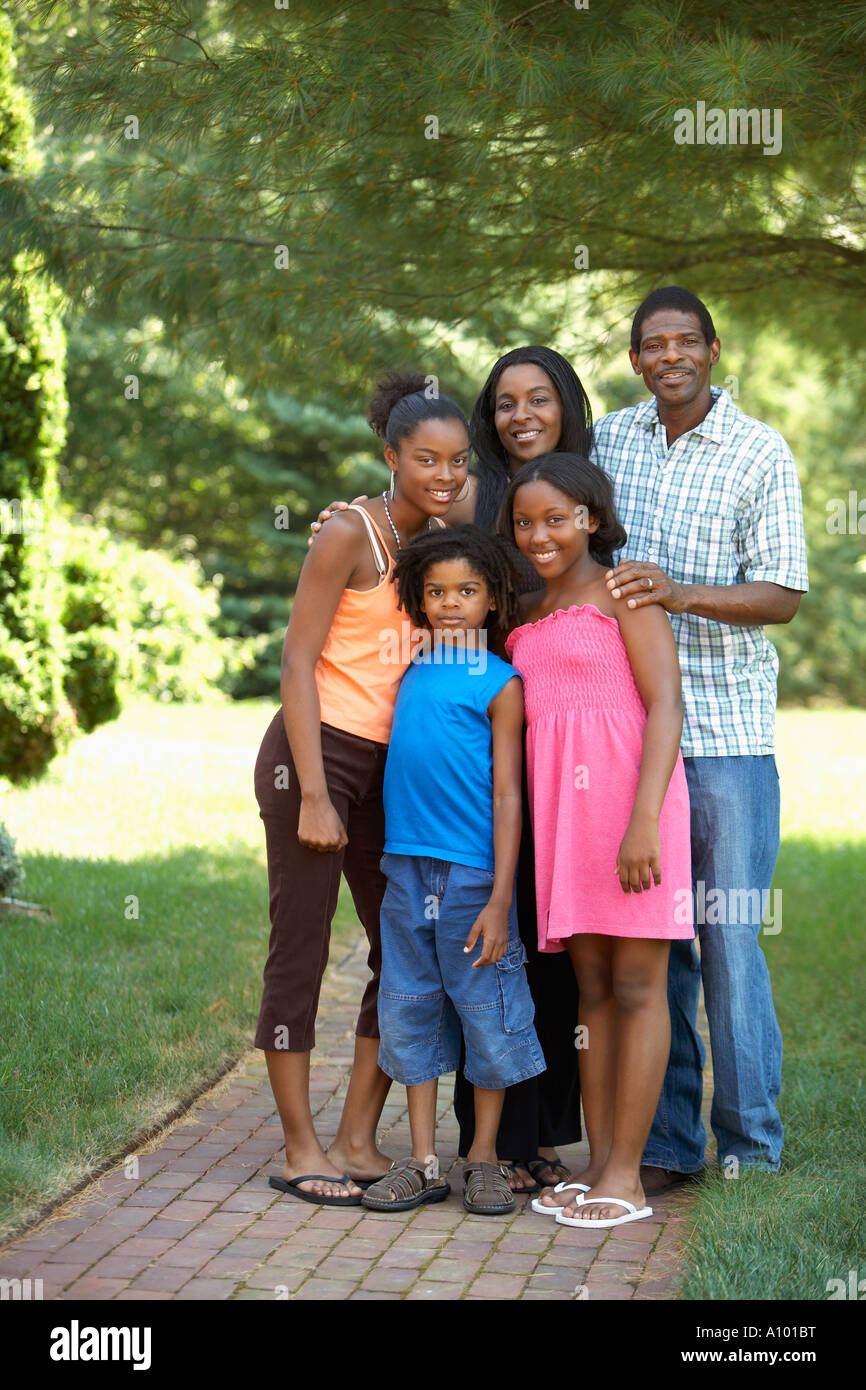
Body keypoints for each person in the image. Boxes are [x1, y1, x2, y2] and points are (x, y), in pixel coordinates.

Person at [310, 346, 593, 1194]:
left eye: (537, 399)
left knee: (510, 982)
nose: (520, 414)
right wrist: (357, 514)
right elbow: (417, 517)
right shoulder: (467, 497)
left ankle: (508, 1149)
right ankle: (452, 1156)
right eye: (504, 402)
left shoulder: (579, 482)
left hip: (512, 787)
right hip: (421, 850)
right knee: (423, 993)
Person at [594, 286, 809, 1192]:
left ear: (713, 351)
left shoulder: (760, 452)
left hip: (723, 733)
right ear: (638, 358)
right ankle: (669, 1144)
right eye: (654, 344)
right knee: (656, 946)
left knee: (725, 939)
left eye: (686, 341)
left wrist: (676, 591)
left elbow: (783, 596)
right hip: (631, 734)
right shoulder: (609, 440)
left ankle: (751, 1143)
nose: (670, 355)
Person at [254, 369, 469, 1207]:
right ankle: (300, 1143)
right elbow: (297, 661)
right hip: (318, 757)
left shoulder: (443, 542)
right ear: (391, 456)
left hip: (396, 770)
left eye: (456, 462)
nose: (445, 476)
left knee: (406, 952)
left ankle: (354, 1137)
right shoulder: (348, 533)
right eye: (426, 460)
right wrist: (312, 790)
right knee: (299, 947)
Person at [500, 453, 694, 1227]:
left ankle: (629, 1177)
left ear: (590, 517)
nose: (539, 534)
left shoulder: (626, 594)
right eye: (525, 521)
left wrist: (644, 818)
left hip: (633, 813)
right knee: (594, 994)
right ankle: (599, 1164)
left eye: (556, 518)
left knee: (641, 988)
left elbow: (667, 706)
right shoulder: (523, 611)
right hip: (567, 825)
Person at [360, 526, 546, 1215]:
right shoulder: (408, 667)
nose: (450, 603)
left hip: (472, 877)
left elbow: (508, 793)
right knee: (409, 1006)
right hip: (406, 870)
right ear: (417, 597)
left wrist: (501, 896)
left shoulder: (502, 683)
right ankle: (422, 1161)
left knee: (488, 1011)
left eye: (467, 591)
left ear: (493, 598)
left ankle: (485, 1158)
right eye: (435, 591)